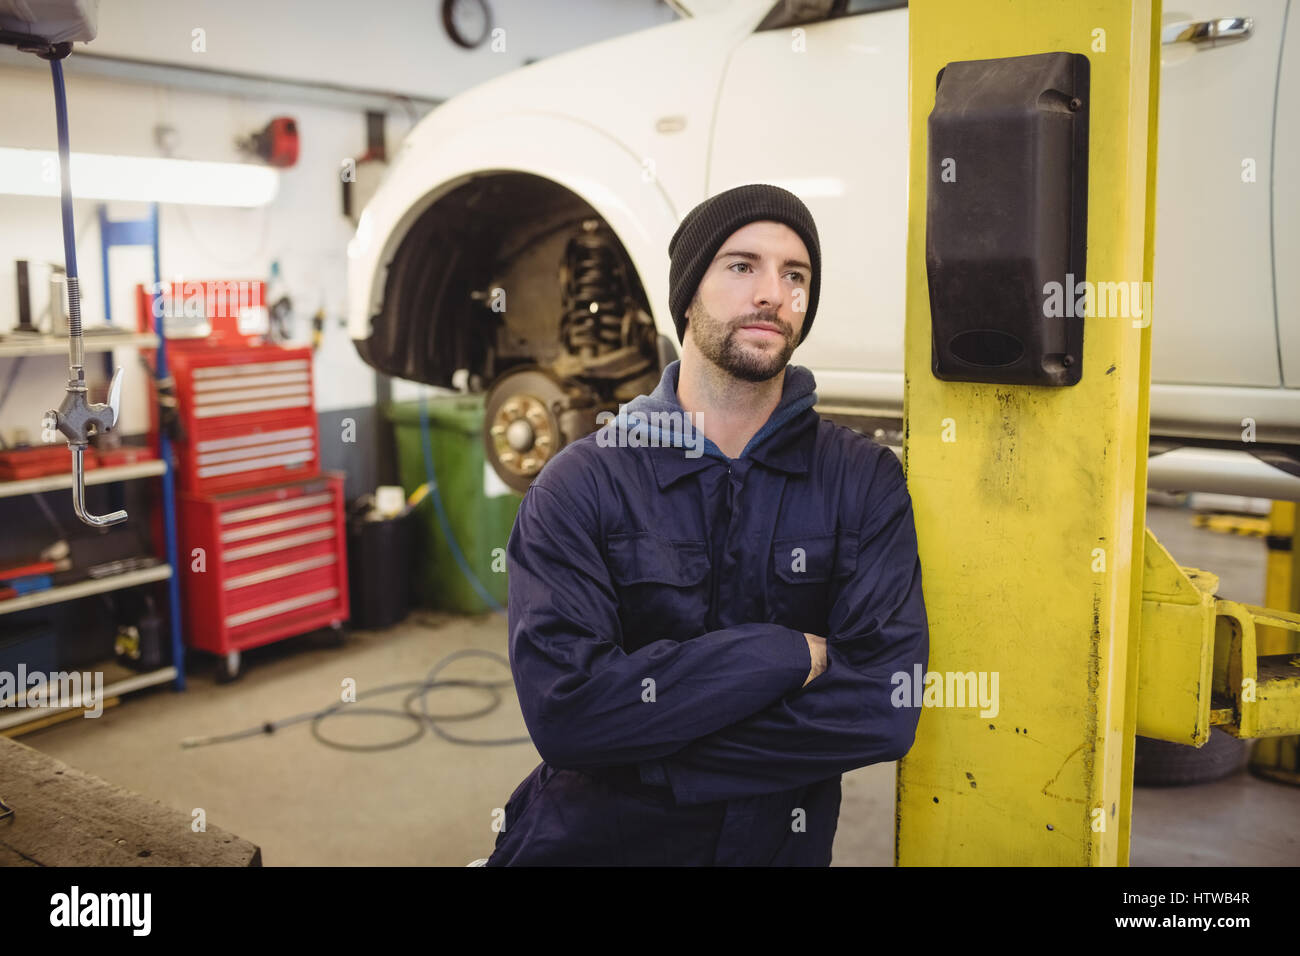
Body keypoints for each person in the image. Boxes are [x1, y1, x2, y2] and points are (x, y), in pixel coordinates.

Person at [485, 183, 929, 866]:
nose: (773, 294)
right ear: (687, 294)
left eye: (796, 275)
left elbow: (883, 706)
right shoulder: (583, 483)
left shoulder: (861, 479)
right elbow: (569, 717)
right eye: (742, 265)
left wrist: (656, 758)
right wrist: (784, 655)